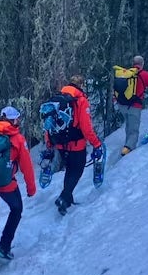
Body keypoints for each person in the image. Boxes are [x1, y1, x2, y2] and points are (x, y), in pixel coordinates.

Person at [0, 107, 37, 272]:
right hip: (7, 184)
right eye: (17, 118)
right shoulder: (18, 139)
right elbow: (26, 166)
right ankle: (4, 246)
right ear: (12, 120)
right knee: (16, 208)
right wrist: (31, 188)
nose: (18, 121)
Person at [41, 75, 103, 216]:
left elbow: (48, 125)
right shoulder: (80, 101)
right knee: (77, 170)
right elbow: (86, 128)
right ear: (81, 85)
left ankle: (67, 200)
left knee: (69, 170)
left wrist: (50, 142)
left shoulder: (57, 100)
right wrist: (96, 143)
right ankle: (64, 197)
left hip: (61, 144)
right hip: (76, 144)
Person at [115, 56, 148, 156]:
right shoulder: (144, 75)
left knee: (129, 124)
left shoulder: (127, 73)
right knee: (134, 128)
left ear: (133, 63)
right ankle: (128, 149)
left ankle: (127, 143)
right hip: (134, 106)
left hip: (122, 105)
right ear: (142, 64)